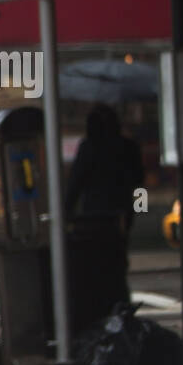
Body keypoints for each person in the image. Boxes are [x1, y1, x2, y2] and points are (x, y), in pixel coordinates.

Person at [64, 102, 144, 330]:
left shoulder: (89, 147)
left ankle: (100, 315)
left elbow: (75, 184)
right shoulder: (127, 147)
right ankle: (122, 312)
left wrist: (66, 213)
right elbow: (139, 179)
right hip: (119, 216)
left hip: (92, 218)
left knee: (94, 269)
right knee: (117, 267)